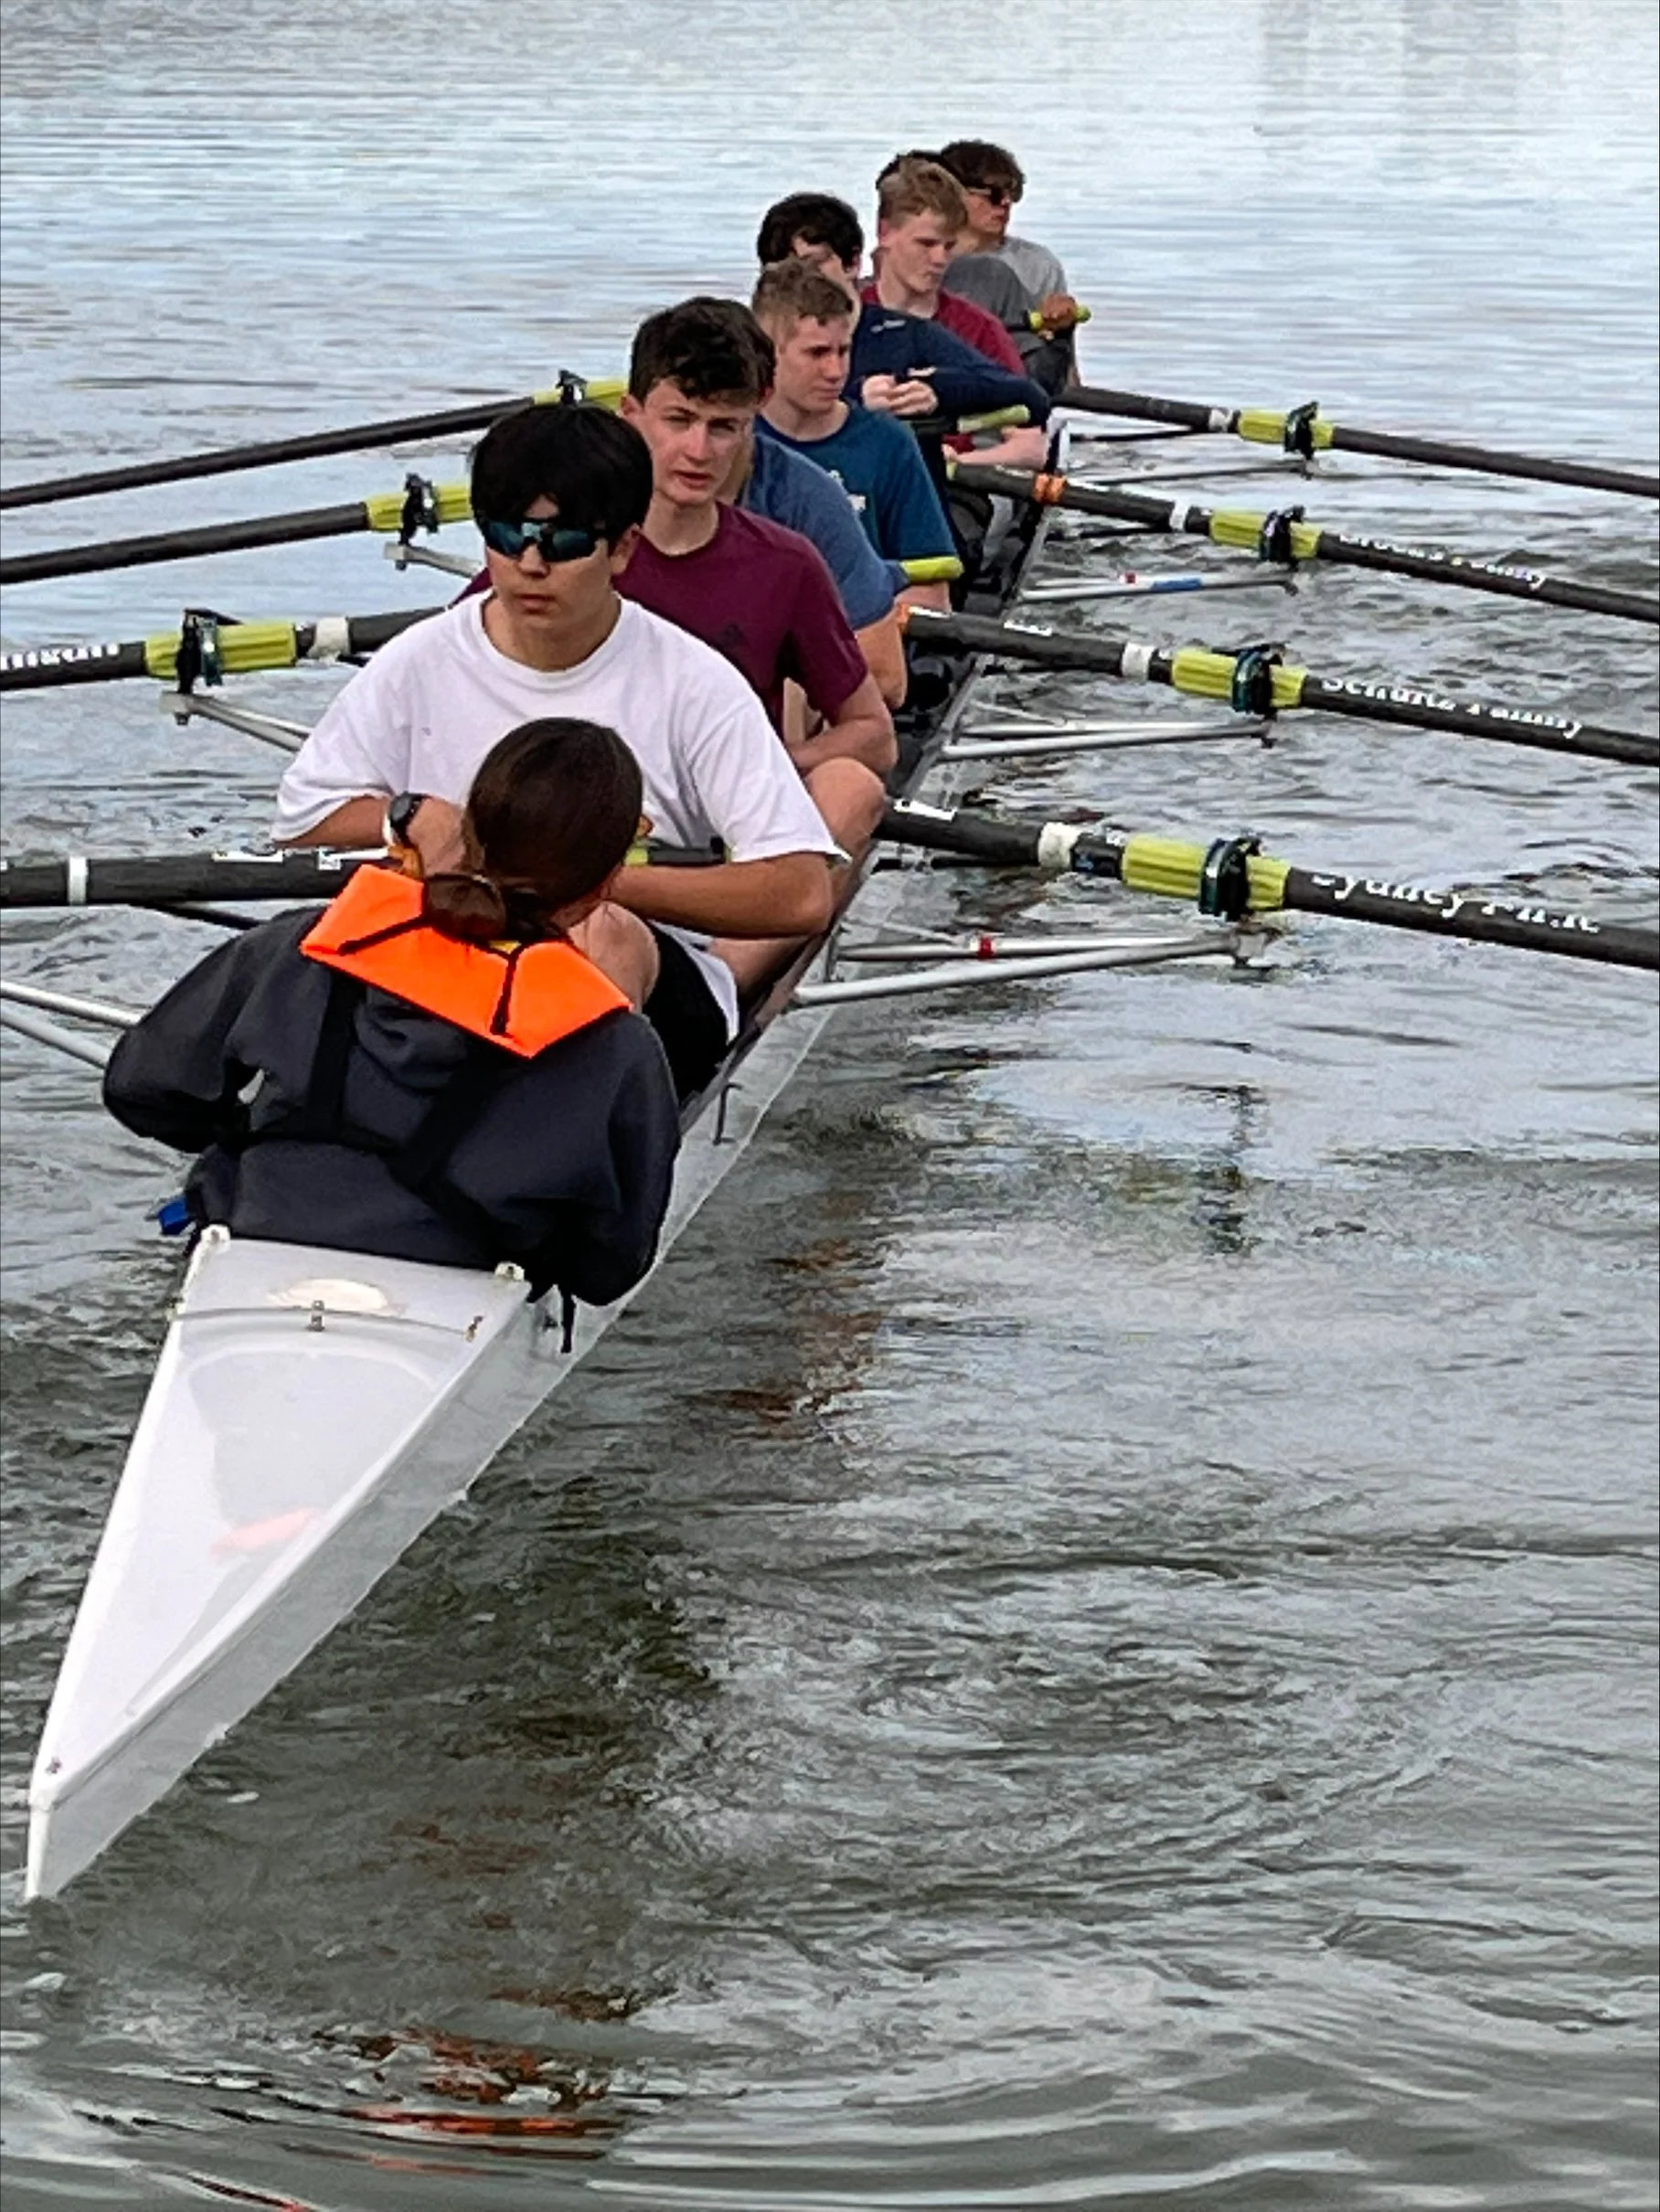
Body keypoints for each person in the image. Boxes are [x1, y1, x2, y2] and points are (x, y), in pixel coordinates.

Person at [273, 401, 872, 1098]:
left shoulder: (693, 680)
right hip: (464, 954)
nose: (530, 565)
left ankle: (563, 1141)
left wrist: (589, 884)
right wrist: (409, 816)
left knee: (598, 933)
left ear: (623, 550)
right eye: (507, 535)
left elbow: (800, 893)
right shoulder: (420, 659)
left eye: (562, 543)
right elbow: (301, 825)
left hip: (646, 971)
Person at [105, 719, 681, 1310]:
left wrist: (252, 1145)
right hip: (466, 1291)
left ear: (467, 836)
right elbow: (608, 1272)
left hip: (256, 1236)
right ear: (605, 885)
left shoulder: (308, 945)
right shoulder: (615, 1044)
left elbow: (138, 1088)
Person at [616, 298, 896, 774]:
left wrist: (772, 769)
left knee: (850, 786)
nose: (699, 451)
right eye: (679, 420)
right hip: (597, 790)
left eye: (723, 427)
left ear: (753, 416)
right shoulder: (570, 539)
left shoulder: (792, 547)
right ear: (631, 414)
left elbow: (878, 724)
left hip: (735, 786)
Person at [750, 257, 960, 614]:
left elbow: (933, 593)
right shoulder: (730, 441)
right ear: (767, 353)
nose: (835, 371)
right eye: (817, 353)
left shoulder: (889, 442)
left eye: (843, 351)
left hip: (860, 636)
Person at [753, 191, 1051, 436]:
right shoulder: (750, 343)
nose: (797, 281)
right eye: (779, 271)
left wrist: (935, 391)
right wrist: (855, 400)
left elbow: (1031, 398)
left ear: (853, 263)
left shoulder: (907, 335)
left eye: (811, 264)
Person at [862, 160, 1050, 474]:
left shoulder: (980, 329)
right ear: (885, 233)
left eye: (949, 246)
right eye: (926, 244)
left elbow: (1030, 450)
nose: (940, 259)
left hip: (958, 480)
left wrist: (957, 462)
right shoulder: (845, 320)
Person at [934, 138, 1081, 395]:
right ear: (953, 194)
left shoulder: (1039, 264)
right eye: (993, 194)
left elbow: (1065, 370)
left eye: (1012, 194)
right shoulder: (926, 257)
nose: (1005, 203)